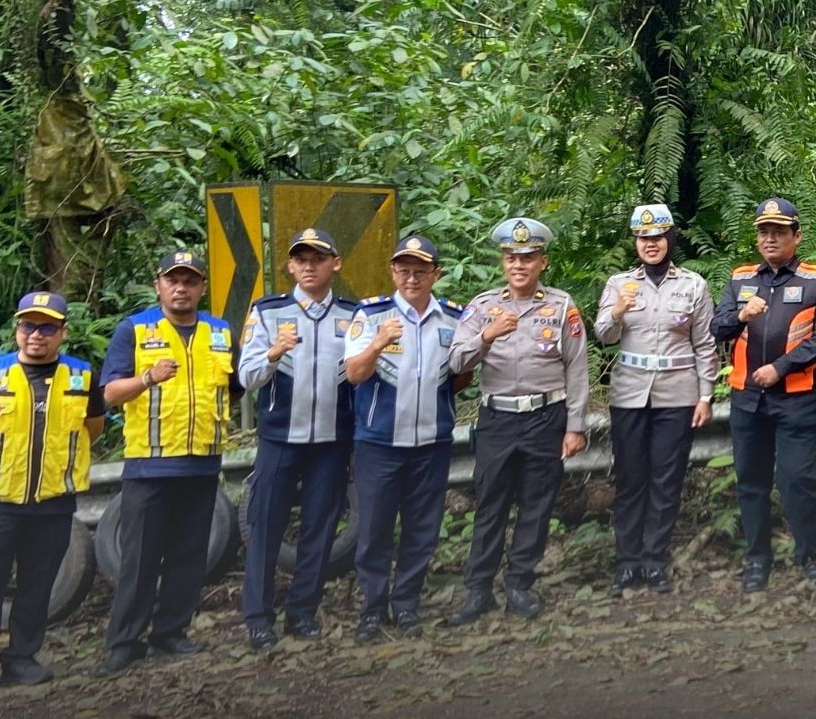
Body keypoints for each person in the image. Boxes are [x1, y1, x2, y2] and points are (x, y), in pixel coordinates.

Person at [0, 292, 104, 702]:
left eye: (47, 327)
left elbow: (94, 426)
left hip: (54, 502)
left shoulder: (83, 377)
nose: (36, 335)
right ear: (18, 330)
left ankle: (20, 658)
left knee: (38, 586)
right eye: (28, 326)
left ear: (63, 333)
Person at [99, 250, 238, 673]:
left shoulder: (219, 331)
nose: (181, 287)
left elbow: (233, 388)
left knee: (189, 555)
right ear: (158, 284)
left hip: (202, 461)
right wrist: (147, 378)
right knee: (140, 560)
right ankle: (123, 643)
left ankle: (170, 633)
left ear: (202, 287)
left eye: (190, 280)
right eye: (173, 280)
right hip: (150, 465)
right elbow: (109, 394)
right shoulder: (135, 330)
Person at [446, 217, 590, 624]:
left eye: (527, 258)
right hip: (498, 419)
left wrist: (575, 425)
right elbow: (455, 360)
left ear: (542, 261)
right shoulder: (482, 306)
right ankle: (478, 590)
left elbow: (577, 368)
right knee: (490, 505)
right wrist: (487, 335)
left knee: (536, 505)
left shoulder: (561, 306)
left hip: (546, 417)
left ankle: (519, 585)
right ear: (502, 262)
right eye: (511, 258)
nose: (519, 265)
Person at [235, 228, 358, 650]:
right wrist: (274, 351)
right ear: (289, 266)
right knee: (265, 528)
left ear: (335, 264)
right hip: (280, 439)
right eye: (300, 259)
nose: (309, 265)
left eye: (318, 258)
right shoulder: (268, 312)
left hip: (332, 440)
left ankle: (303, 613)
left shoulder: (354, 315)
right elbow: (246, 377)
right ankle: (258, 619)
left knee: (320, 530)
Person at [711, 198, 816, 593]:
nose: (770, 238)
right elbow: (718, 328)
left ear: (795, 236)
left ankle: (810, 556)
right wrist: (740, 316)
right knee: (751, 481)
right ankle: (757, 559)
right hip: (747, 399)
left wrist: (780, 368)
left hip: (796, 398)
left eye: (779, 232)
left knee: (798, 478)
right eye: (764, 231)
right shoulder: (739, 279)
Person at [345, 235, 467, 642]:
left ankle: (407, 605)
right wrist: (379, 341)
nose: (411, 278)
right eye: (403, 269)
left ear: (436, 274)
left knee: (422, 529)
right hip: (379, 443)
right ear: (392, 272)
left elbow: (461, 377)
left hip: (432, 443)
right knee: (375, 530)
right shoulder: (371, 313)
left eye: (420, 270)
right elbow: (355, 373)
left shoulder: (453, 317)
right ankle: (372, 609)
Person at [594, 204, 718, 596]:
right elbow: (603, 336)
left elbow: (705, 344)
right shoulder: (619, 284)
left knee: (667, 480)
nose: (651, 244)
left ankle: (654, 561)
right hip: (630, 394)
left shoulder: (693, 285)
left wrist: (706, 395)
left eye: (658, 237)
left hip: (677, 395)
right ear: (636, 242)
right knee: (631, 479)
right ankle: (627, 563)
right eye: (644, 238)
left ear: (669, 240)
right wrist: (616, 311)